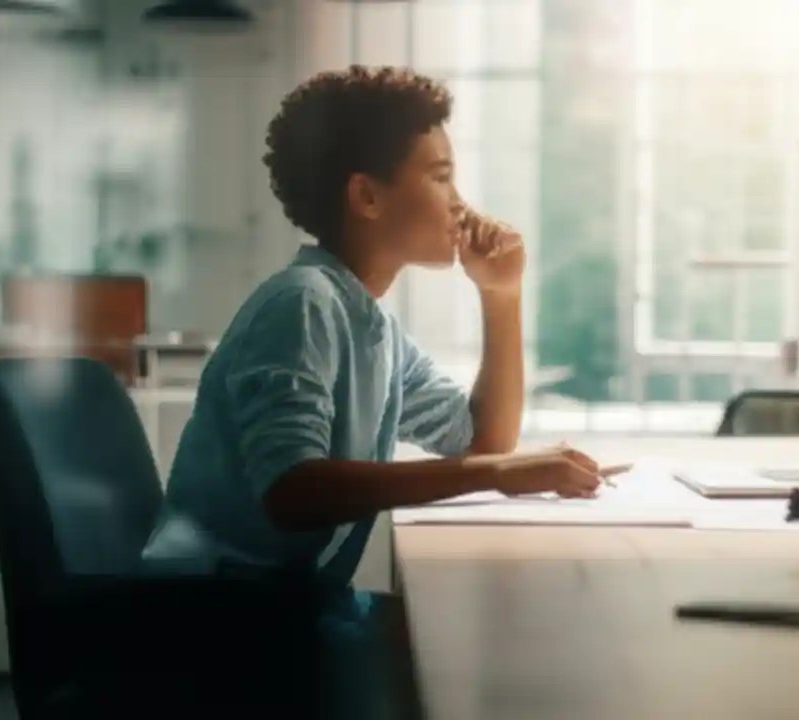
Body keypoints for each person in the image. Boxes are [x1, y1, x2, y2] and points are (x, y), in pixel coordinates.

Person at [140, 67, 605, 712]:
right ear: (367, 195)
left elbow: (479, 438)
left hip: (285, 609)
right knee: (479, 667)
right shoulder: (303, 305)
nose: (460, 204)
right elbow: (294, 491)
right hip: (222, 625)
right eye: (440, 176)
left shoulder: (367, 319)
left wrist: (500, 297)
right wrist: (495, 471)